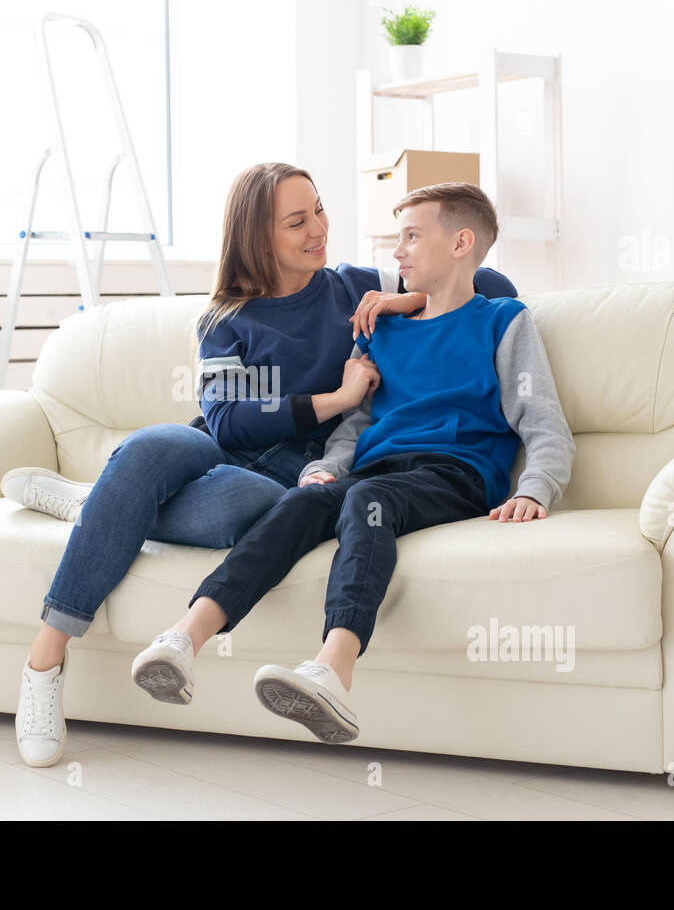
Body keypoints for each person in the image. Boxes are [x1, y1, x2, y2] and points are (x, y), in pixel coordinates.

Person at [0, 163, 517, 766]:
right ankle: (44, 661)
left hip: (285, 477)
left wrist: (408, 299)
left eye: (319, 210)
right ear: (257, 237)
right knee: (145, 451)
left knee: (248, 507)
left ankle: (102, 503)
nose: (319, 229)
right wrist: (336, 400)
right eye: (297, 222)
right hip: (215, 449)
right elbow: (228, 420)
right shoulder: (226, 318)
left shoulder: (357, 287)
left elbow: (494, 283)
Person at [130, 181, 574, 744]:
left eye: (412, 237)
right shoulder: (381, 331)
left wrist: (534, 489)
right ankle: (183, 638)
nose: (397, 253)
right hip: (376, 470)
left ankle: (333, 673)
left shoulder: (504, 319)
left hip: (455, 473)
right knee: (301, 500)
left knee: (369, 502)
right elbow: (359, 420)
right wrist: (330, 468)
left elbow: (543, 420)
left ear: (461, 242)